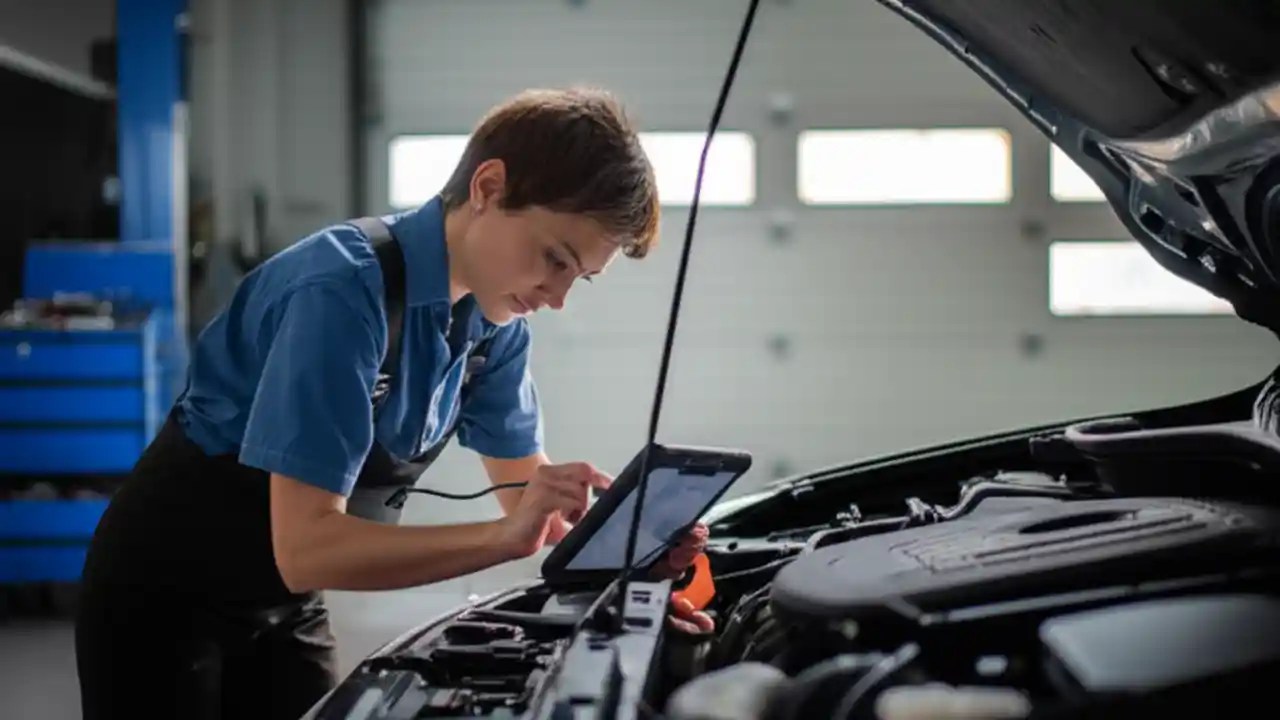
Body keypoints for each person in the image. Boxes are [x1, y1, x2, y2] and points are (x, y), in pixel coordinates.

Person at [74, 86, 712, 720]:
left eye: (579, 277)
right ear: (488, 188)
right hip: (164, 593)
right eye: (554, 259)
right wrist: (501, 539)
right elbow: (307, 548)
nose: (558, 297)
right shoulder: (341, 292)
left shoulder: (495, 327)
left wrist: (633, 568)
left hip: (280, 600)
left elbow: (530, 501)